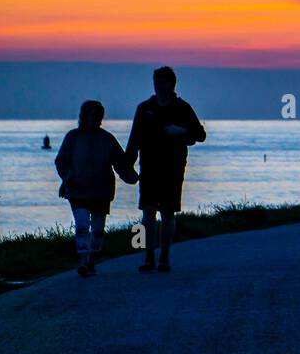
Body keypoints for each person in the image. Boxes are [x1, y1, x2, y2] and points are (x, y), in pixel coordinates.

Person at [126, 66, 207, 273]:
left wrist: (180, 130)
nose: (159, 86)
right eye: (156, 82)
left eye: (163, 82)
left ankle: (165, 256)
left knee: (168, 212)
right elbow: (134, 138)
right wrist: (127, 165)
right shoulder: (144, 108)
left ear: (172, 84)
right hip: (149, 166)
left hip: (173, 166)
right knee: (148, 212)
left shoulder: (182, 108)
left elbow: (200, 134)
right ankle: (148, 256)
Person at [55, 100, 138, 277]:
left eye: (100, 116)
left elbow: (120, 162)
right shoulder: (72, 137)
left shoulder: (107, 139)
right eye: (94, 116)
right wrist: (68, 176)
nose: (97, 120)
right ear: (85, 117)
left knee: (98, 230)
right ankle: (84, 260)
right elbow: (61, 160)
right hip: (77, 190)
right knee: (82, 225)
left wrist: (131, 176)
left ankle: (91, 258)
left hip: (102, 190)